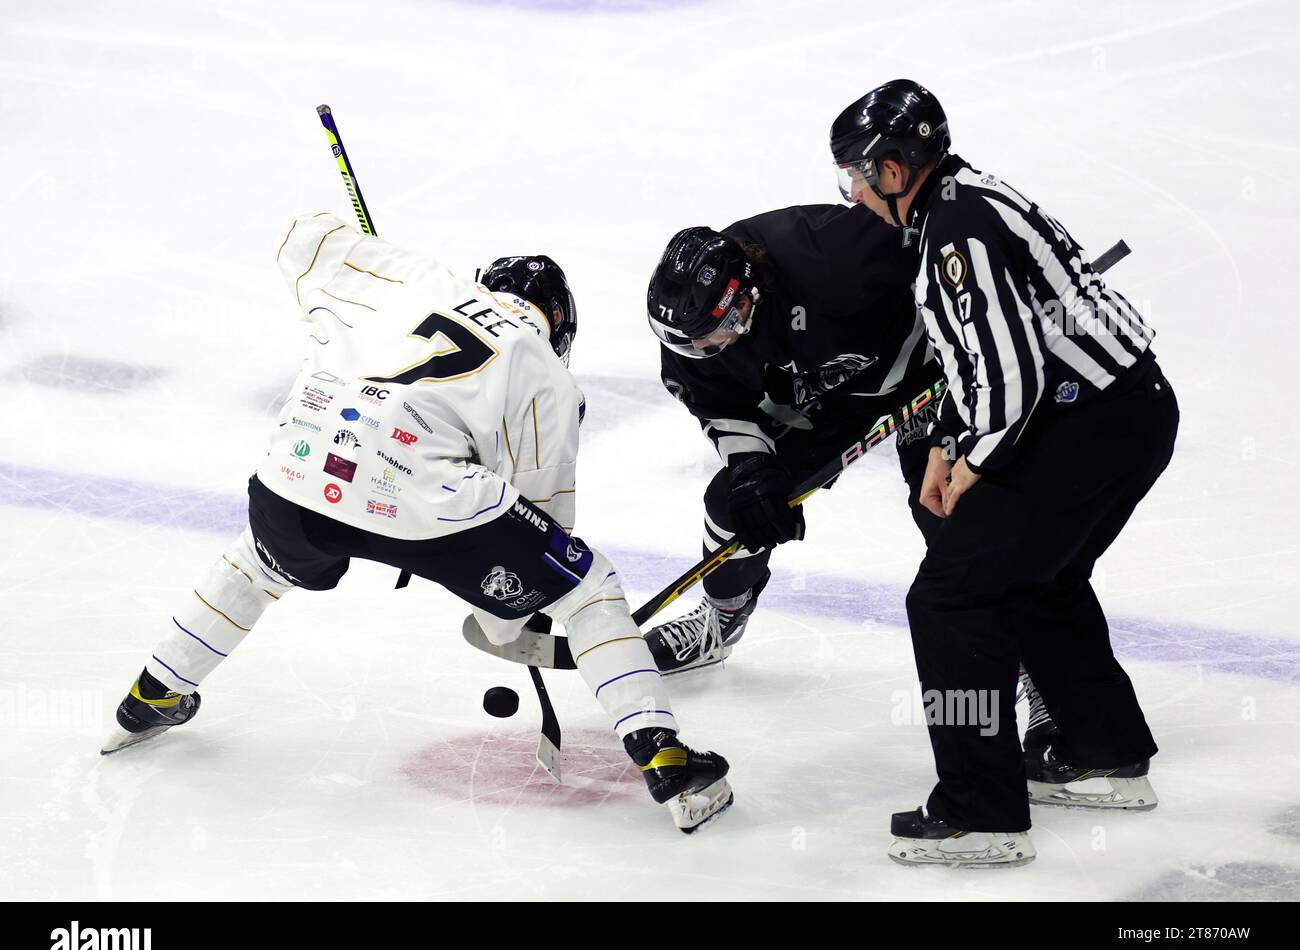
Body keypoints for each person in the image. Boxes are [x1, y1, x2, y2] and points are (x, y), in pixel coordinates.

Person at [101, 213, 733, 834]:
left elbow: (303, 238)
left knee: (257, 564)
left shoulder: (418, 281)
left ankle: (153, 694)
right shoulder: (547, 372)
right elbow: (541, 522)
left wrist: (383, 264)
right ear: (561, 328)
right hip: (423, 499)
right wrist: (514, 618)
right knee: (586, 587)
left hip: (293, 469)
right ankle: (663, 757)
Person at [831, 80, 1178, 866]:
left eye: (855, 171)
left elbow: (1010, 376)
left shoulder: (954, 229)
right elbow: (986, 358)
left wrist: (968, 458)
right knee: (1035, 578)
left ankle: (981, 811)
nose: (850, 190)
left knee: (952, 597)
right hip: (1125, 411)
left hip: (1088, 424)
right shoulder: (963, 198)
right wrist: (951, 440)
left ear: (892, 170)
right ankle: (1101, 750)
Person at [643, 208, 944, 674]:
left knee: (952, 512)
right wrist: (752, 468)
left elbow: (948, 250)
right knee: (736, 503)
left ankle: (1035, 669)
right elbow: (721, 408)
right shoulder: (694, 328)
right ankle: (721, 620)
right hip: (822, 397)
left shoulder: (837, 254)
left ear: (746, 299)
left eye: (712, 337)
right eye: (690, 344)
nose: (700, 352)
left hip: (924, 375)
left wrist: (978, 347)